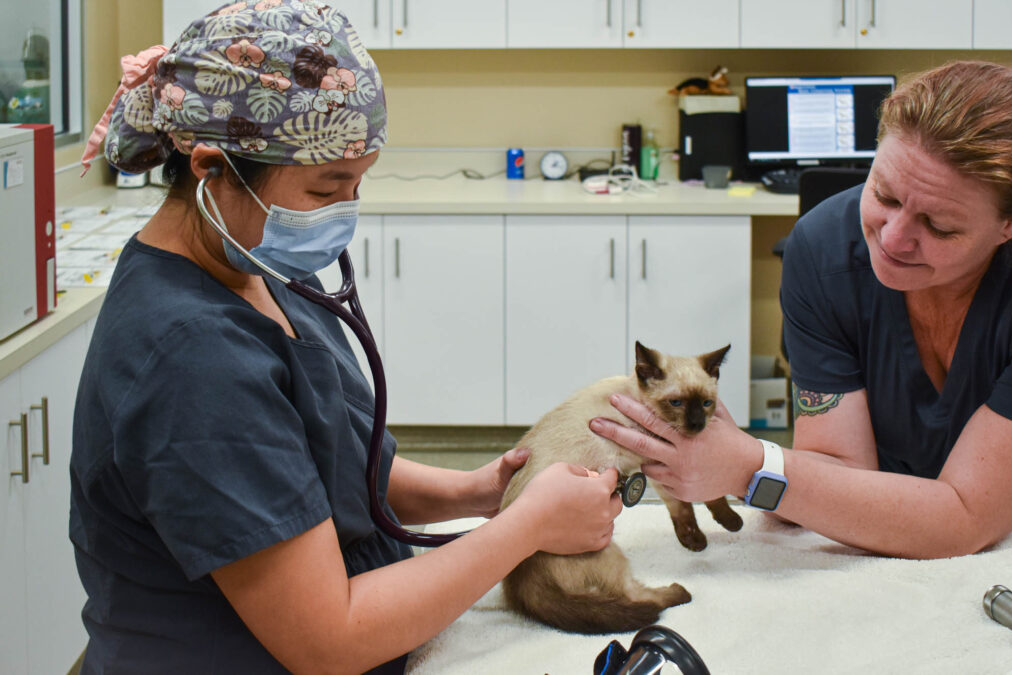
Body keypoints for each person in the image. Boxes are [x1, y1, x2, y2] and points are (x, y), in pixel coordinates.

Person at [70, 3, 622, 674]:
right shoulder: (190, 357)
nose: (345, 213)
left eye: (358, 184)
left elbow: (325, 460)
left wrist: (474, 492)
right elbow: (327, 638)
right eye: (328, 186)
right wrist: (526, 525)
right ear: (213, 169)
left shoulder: (253, 262)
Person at [590, 61, 1012, 578]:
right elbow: (836, 472)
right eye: (884, 195)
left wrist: (751, 467)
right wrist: (734, 462)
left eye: (939, 225)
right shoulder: (824, 249)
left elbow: (966, 518)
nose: (890, 241)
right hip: (875, 525)